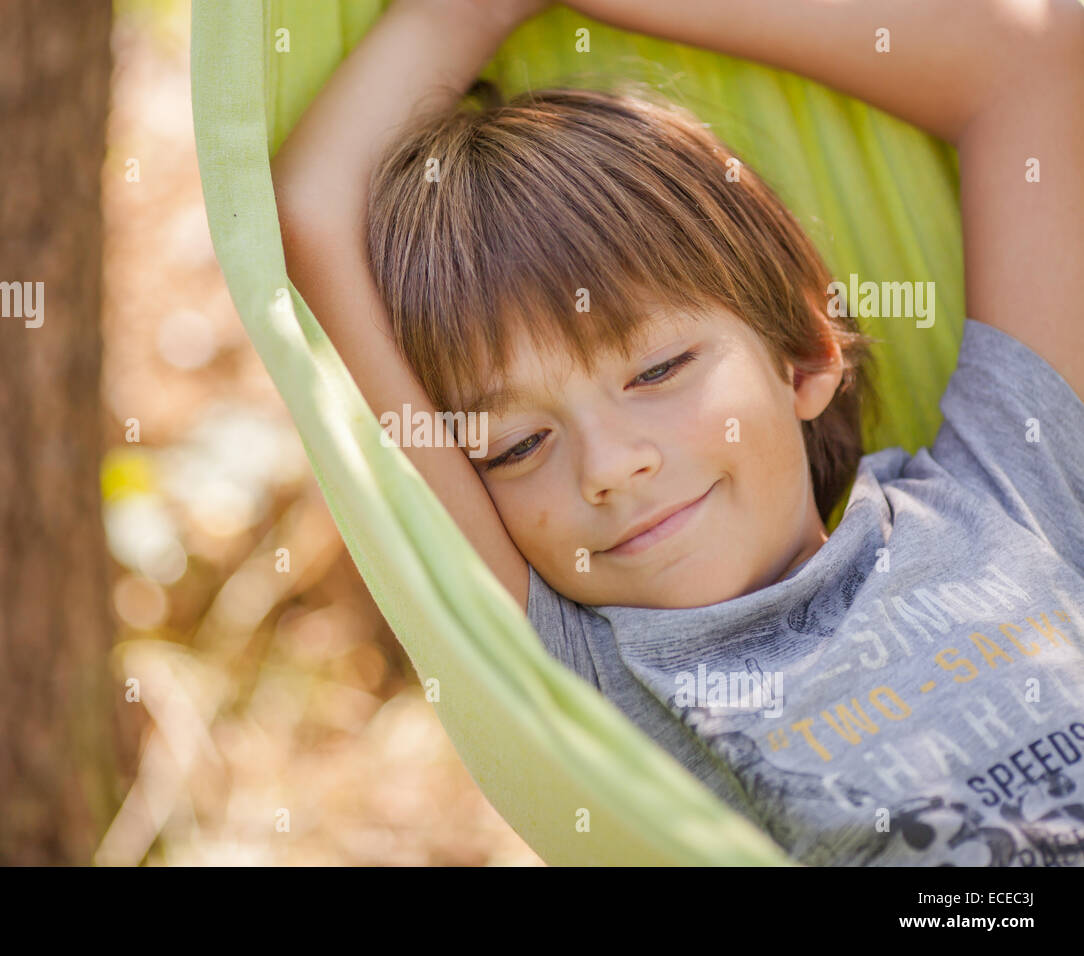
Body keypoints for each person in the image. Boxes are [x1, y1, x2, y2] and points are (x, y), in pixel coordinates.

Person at [271, 0, 1084, 865]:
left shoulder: (1009, 488)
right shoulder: (595, 680)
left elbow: (1033, 57)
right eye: (516, 447)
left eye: (657, 372)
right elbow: (313, 216)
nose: (611, 467)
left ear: (805, 355)